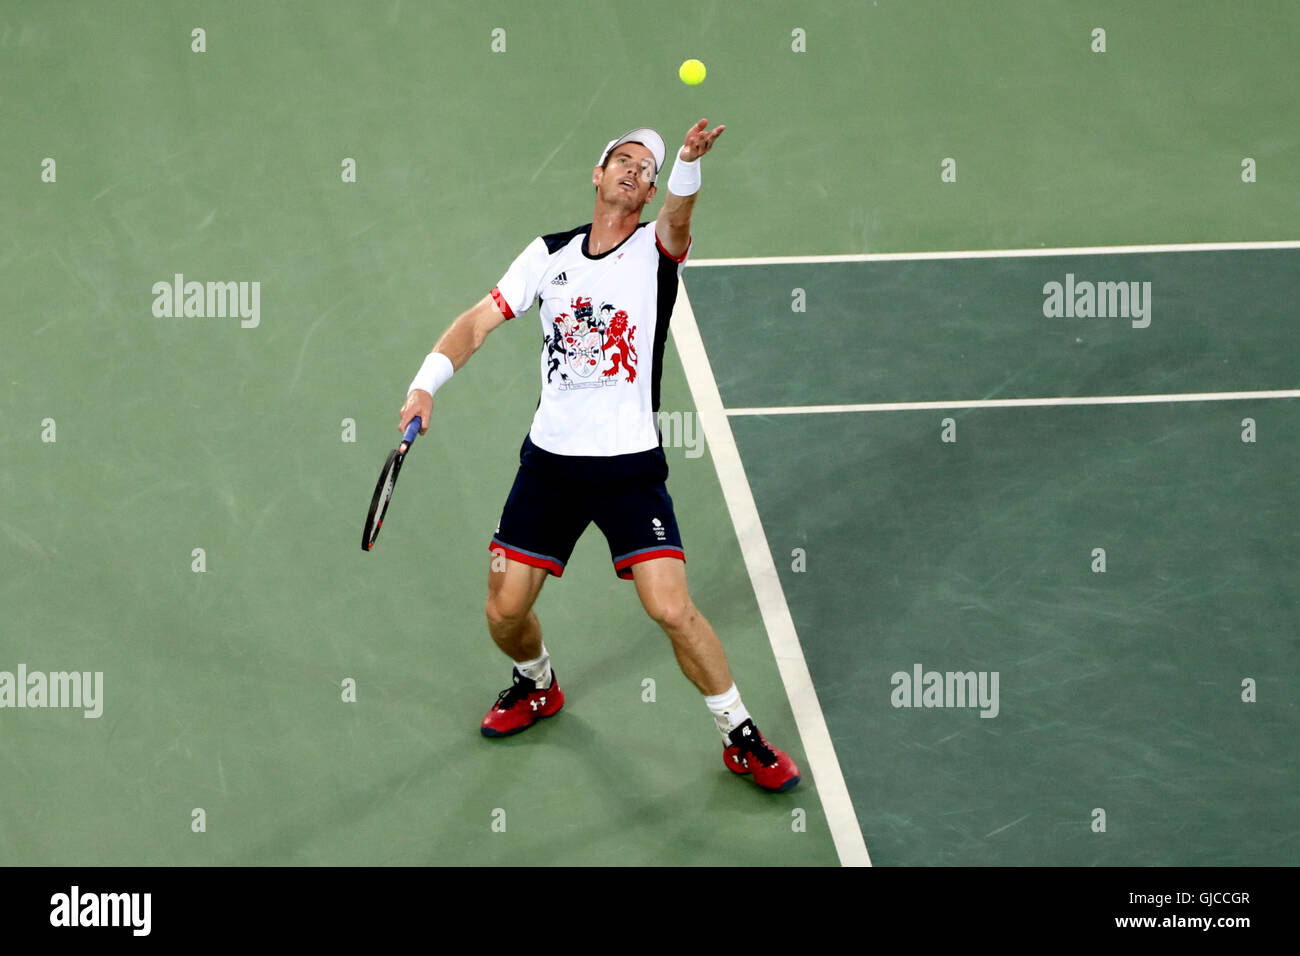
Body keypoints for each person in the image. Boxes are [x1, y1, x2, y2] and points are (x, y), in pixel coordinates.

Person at [398, 120, 800, 792]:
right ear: (597, 173)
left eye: (647, 168)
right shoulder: (546, 255)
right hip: (550, 466)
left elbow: (680, 214)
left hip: (628, 471)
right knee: (503, 611)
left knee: (672, 610)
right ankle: (537, 684)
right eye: (623, 159)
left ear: (648, 193)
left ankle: (739, 733)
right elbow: (477, 322)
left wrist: (689, 167)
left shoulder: (656, 251)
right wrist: (424, 385)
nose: (633, 170)